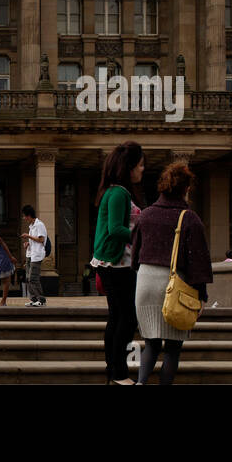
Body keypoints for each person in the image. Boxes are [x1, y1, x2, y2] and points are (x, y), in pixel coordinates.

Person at [130, 162, 213, 386]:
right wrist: (201, 295)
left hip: (145, 282)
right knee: (173, 347)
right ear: (186, 189)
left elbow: (135, 254)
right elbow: (198, 262)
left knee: (151, 342)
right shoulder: (189, 218)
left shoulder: (145, 215)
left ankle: (140, 383)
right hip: (174, 284)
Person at [92, 140, 145, 384]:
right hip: (117, 264)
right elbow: (115, 230)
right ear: (129, 167)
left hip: (114, 264)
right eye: (140, 165)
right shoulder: (118, 193)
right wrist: (143, 235)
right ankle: (119, 372)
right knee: (127, 318)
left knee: (117, 317)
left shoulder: (115, 192)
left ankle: (113, 370)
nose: (142, 170)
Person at [20, 204, 49, 307]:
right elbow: (35, 240)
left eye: (24, 216)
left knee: (33, 278)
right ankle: (33, 299)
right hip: (30, 254)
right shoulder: (31, 226)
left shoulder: (39, 225)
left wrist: (28, 236)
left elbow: (41, 239)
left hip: (37, 255)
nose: (24, 218)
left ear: (29, 216)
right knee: (28, 278)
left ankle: (41, 300)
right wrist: (28, 243)